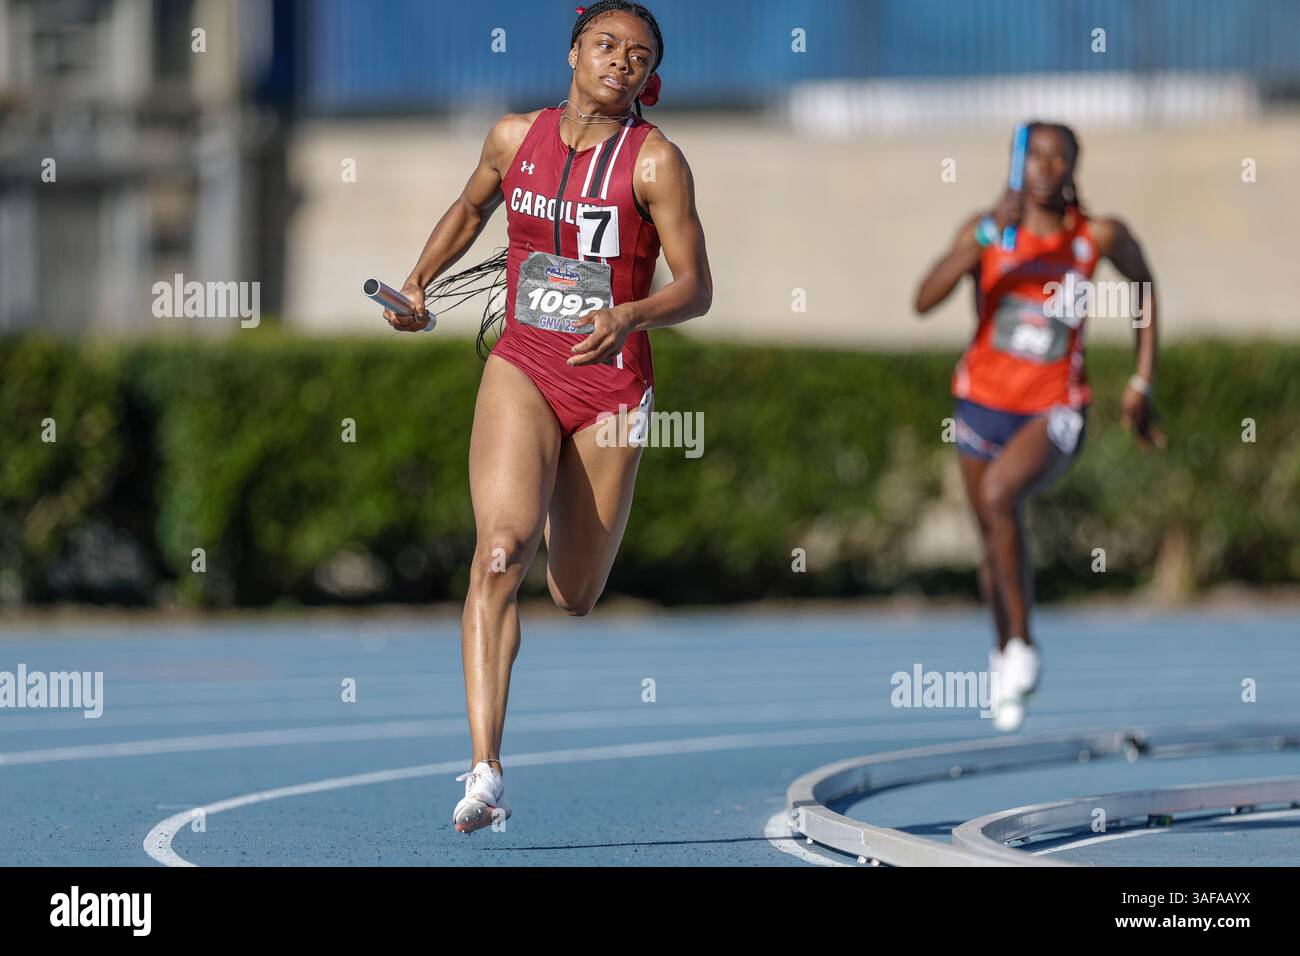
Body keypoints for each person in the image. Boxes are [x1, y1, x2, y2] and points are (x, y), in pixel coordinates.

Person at [380, 1, 711, 832]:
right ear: (573, 52)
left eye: (639, 56)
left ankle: (574, 567)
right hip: (523, 362)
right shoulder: (510, 138)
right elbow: (469, 210)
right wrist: (417, 282)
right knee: (498, 552)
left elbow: (696, 287)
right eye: (606, 45)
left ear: (650, 77)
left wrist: (630, 316)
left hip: (613, 385)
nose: (619, 63)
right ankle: (484, 769)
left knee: (572, 592)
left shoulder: (657, 163)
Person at [914, 122, 1163, 732]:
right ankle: (1004, 656)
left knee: (1001, 496)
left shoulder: (1094, 236)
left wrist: (1141, 380)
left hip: (1057, 408)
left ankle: (1024, 645)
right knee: (991, 548)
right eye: (1038, 156)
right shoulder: (987, 230)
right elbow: (924, 299)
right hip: (980, 405)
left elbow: (1143, 289)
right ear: (1017, 164)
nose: (1048, 168)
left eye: (1062, 158)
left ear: (1074, 167)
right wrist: (979, 235)